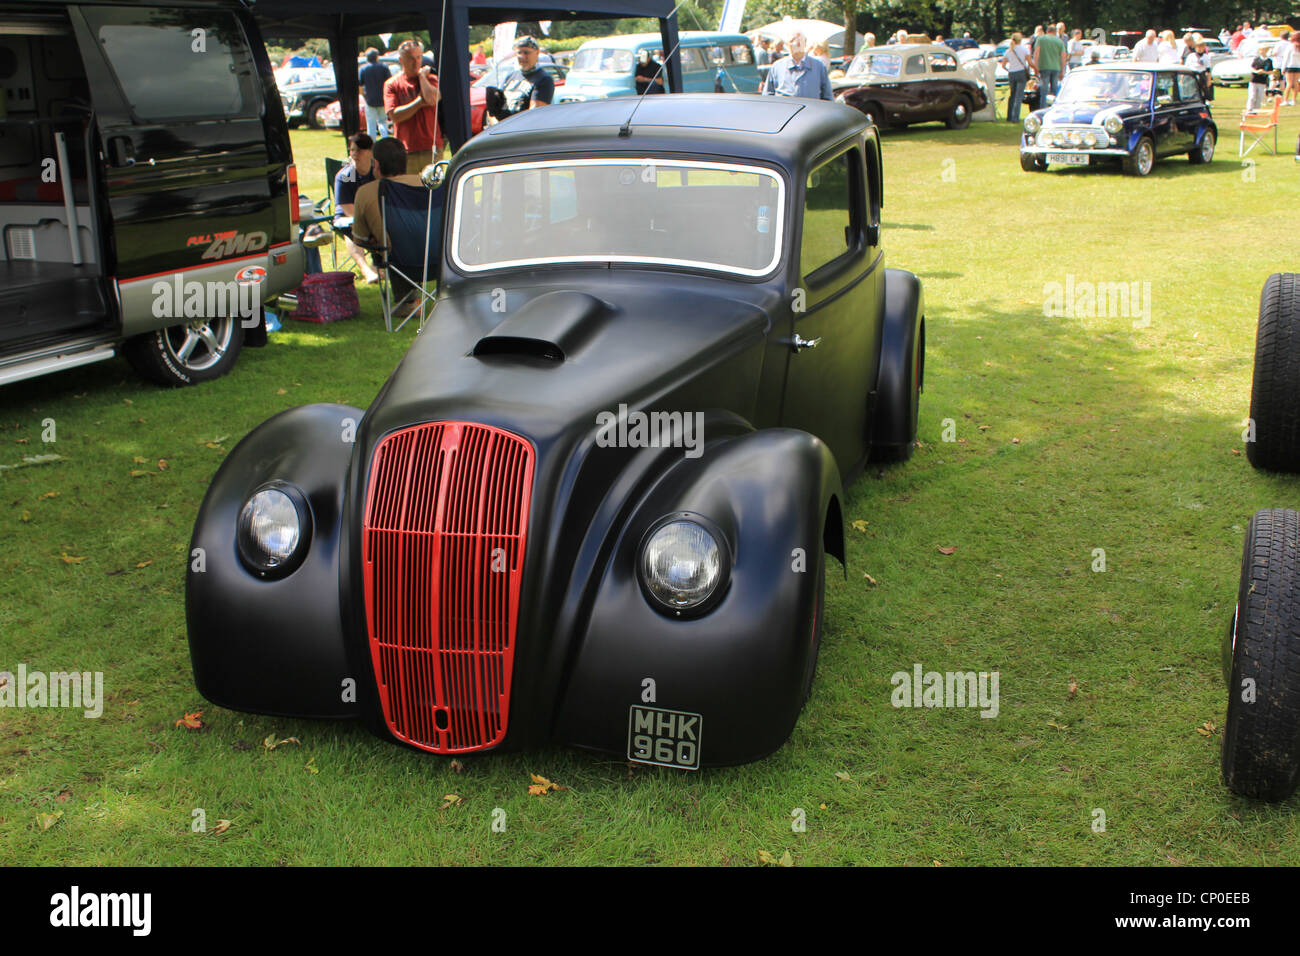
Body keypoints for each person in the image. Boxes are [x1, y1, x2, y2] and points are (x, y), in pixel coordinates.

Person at [351, 137, 431, 312]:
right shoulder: (428, 185)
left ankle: (407, 303)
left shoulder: (367, 192)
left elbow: (359, 238)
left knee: (389, 243)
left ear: (376, 164)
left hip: (401, 263)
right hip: (439, 260)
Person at [383, 39, 442, 175]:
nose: (416, 62)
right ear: (401, 60)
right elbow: (395, 116)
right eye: (410, 58)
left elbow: (433, 99)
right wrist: (419, 102)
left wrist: (421, 76)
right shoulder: (392, 84)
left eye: (419, 57)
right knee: (409, 191)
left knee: (433, 192)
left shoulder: (430, 79)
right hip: (406, 150)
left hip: (431, 147)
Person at [331, 133, 380, 283]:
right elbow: (349, 210)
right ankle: (366, 270)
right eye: (352, 150)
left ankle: (378, 266)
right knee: (353, 228)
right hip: (348, 218)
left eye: (358, 150)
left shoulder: (377, 172)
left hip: (375, 216)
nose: (354, 154)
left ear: (370, 152)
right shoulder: (347, 175)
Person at [493, 35, 554, 119]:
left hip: (522, 129)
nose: (522, 56)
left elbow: (534, 114)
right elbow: (493, 110)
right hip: (502, 128)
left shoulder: (544, 79)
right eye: (519, 52)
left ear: (537, 52)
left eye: (526, 52)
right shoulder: (509, 76)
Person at [762, 31, 833, 99]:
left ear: (805, 43)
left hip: (811, 111)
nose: (797, 43)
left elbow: (828, 97)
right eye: (792, 40)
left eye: (800, 40)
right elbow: (767, 96)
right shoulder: (777, 67)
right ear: (787, 44)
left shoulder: (818, 67)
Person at [358, 48, 390, 139]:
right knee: (383, 121)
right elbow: (389, 82)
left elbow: (360, 85)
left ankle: (371, 143)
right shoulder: (384, 67)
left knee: (371, 124)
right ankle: (385, 139)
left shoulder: (363, 69)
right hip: (382, 99)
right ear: (377, 57)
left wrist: (364, 96)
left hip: (370, 100)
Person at [1002, 31, 1032, 122]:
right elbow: (1029, 62)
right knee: (1019, 96)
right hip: (1021, 73)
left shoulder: (1008, 51)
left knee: (1012, 95)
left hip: (1011, 73)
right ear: (1020, 40)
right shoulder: (1024, 49)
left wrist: (1009, 70)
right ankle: (1015, 118)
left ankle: (1009, 116)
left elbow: (1003, 65)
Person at [1032, 24, 1065, 102]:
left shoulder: (1040, 39)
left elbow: (1036, 54)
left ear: (1047, 31)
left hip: (1044, 67)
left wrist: (1035, 68)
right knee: (1054, 90)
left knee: (1044, 91)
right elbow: (1063, 57)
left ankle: (1043, 108)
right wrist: (1062, 71)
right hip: (1056, 68)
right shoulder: (1059, 41)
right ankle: (1054, 108)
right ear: (1055, 32)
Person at [1246, 45, 1273, 112]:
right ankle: (1249, 109)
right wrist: (1257, 71)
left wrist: (1265, 72)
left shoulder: (1269, 61)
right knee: (1252, 96)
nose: (1261, 52)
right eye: (1260, 50)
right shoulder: (1256, 59)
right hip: (1254, 80)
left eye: (1263, 50)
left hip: (1262, 82)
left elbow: (1271, 71)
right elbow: (1252, 68)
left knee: (1259, 97)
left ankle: (1256, 110)